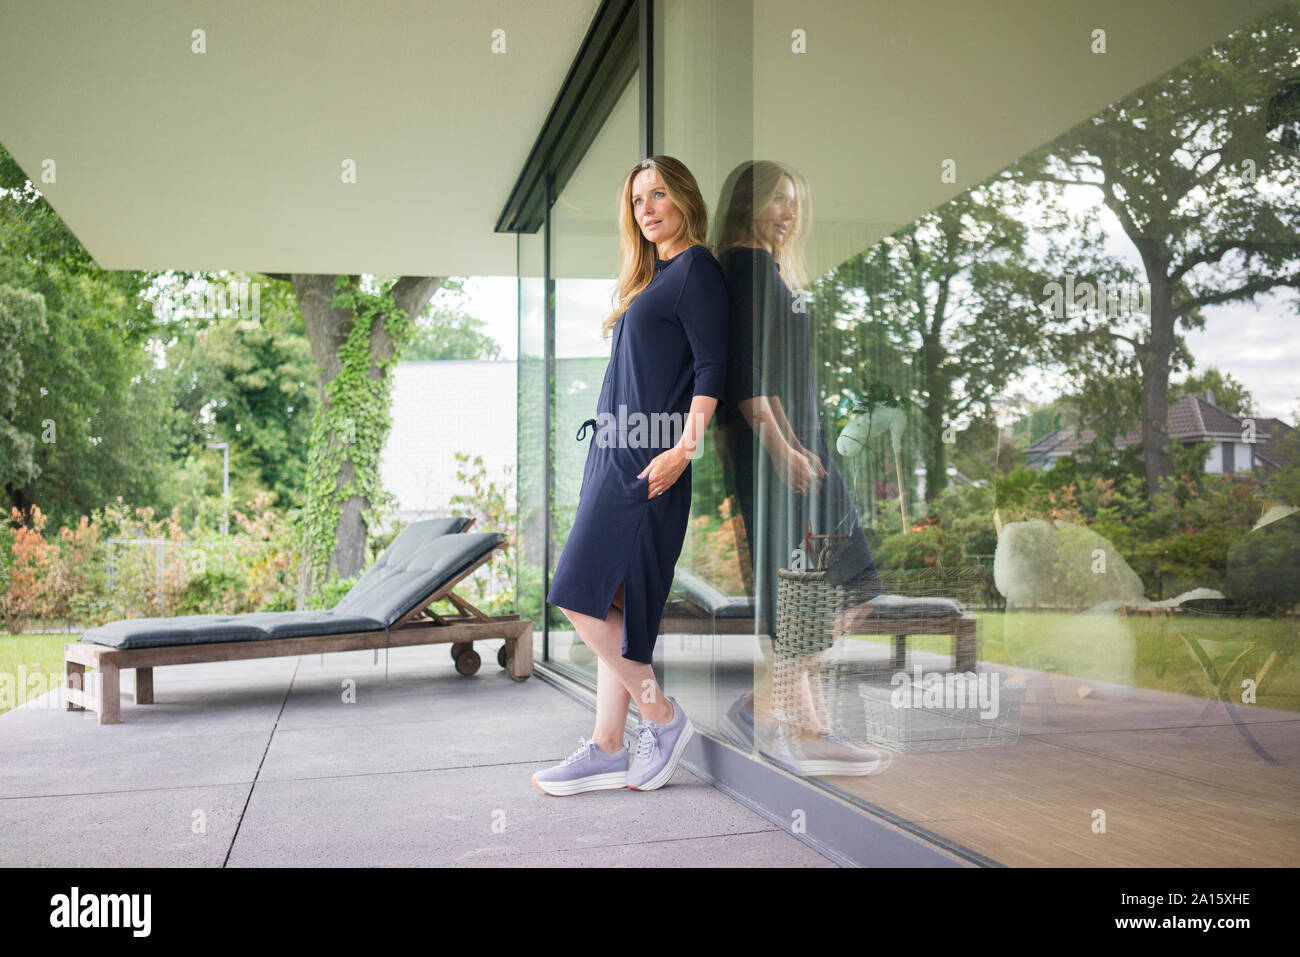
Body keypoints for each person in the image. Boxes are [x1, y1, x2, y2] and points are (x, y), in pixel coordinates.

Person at [533, 156, 728, 796]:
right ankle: (609, 747)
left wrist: (683, 450)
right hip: (612, 457)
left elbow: (709, 371)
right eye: (638, 199)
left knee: (575, 594)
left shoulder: (697, 269)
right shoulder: (653, 278)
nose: (647, 208)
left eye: (659, 195)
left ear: (684, 200)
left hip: (649, 464)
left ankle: (661, 717)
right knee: (610, 601)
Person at [711, 160, 886, 776]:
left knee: (812, 593)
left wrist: (787, 442)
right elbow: (744, 370)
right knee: (852, 581)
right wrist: (782, 446)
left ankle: (808, 728)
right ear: (747, 204)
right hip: (788, 455)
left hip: (792, 448)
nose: (789, 213)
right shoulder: (749, 265)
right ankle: (766, 711)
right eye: (777, 200)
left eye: (795, 203)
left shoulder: (757, 268)